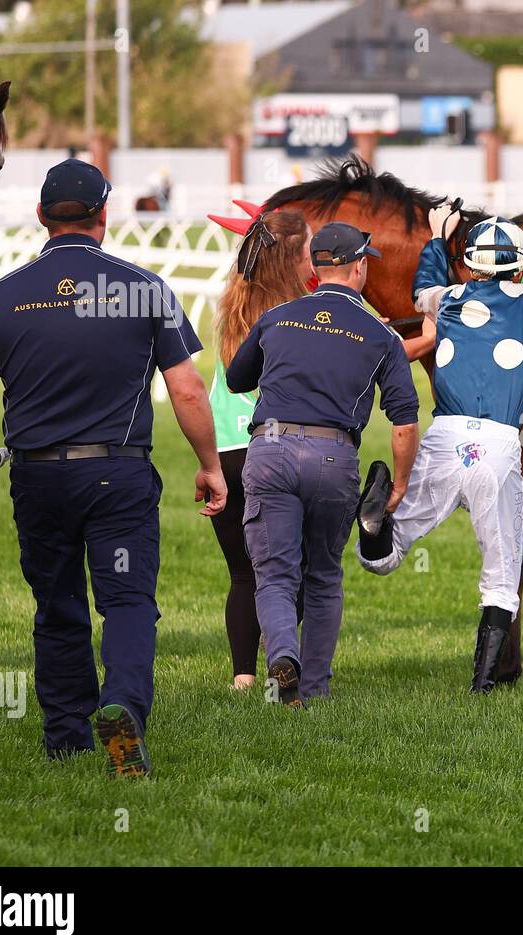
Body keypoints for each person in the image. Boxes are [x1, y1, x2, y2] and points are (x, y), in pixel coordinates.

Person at [0, 158, 227, 777]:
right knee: (128, 603)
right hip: (118, 476)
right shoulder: (144, 289)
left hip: (38, 479)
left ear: (40, 218)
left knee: (57, 605)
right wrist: (210, 465)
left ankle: (65, 736)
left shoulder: (2, 298)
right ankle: (121, 710)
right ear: (105, 217)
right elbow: (190, 391)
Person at [357, 204, 523, 693]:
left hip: (443, 438)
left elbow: (423, 286)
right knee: (502, 566)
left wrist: (439, 240)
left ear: (472, 266)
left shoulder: (447, 297)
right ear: (520, 267)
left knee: (389, 552)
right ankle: (483, 684)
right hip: (500, 445)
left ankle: (374, 527)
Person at [226, 222, 420, 708]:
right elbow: (404, 422)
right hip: (334, 456)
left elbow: (235, 379)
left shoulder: (278, 316)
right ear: (359, 267)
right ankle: (313, 688)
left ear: (314, 266)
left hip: (270, 448)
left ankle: (282, 657)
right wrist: (398, 484)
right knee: (324, 574)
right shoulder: (381, 335)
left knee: (274, 573)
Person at [209, 208, 314, 690]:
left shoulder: (231, 303)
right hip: (277, 450)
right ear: (294, 256)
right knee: (288, 573)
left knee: (242, 575)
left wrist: (204, 463)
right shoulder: (304, 313)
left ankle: (243, 677)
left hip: (226, 451)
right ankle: (289, 669)